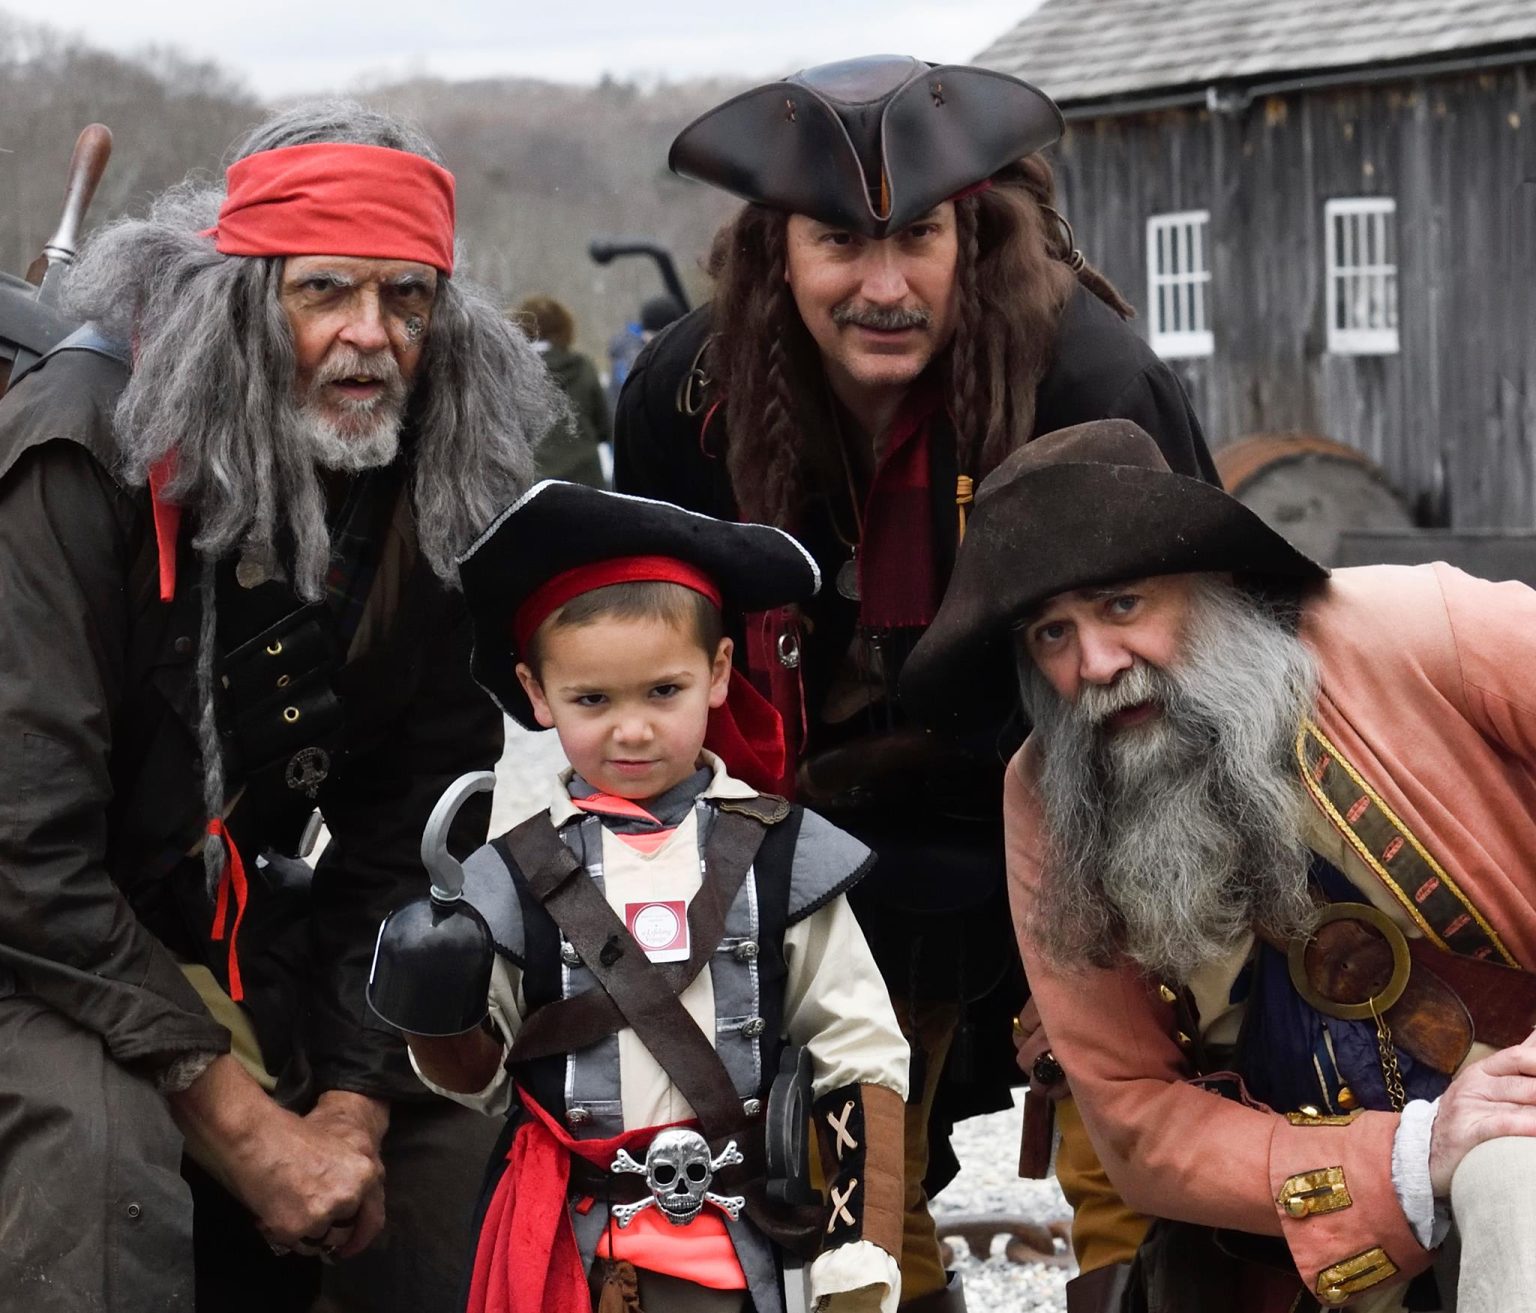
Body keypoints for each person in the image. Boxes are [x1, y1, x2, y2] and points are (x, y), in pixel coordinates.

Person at [614, 53, 1217, 1310]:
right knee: (845, 1217)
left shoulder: (1090, 385)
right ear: (779, 251)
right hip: (816, 856)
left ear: (974, 234)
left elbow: (1190, 683)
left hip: (1082, 820)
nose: (884, 287)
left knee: (1148, 1196)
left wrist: (1118, 954)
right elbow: (653, 670)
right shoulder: (687, 395)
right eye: (841, 241)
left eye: (919, 239)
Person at [0, 102, 560, 1312]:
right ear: (242, 298)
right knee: (99, 1161)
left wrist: (355, 1096)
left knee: (457, 1130)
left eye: (407, 298)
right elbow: (25, 850)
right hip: (34, 938)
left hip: (234, 919)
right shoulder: (75, 453)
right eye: (323, 292)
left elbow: (417, 826)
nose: (370, 337)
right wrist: (247, 1126)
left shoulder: (429, 473)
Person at [899, 417, 1536, 1312]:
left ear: (1211, 583)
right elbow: (1136, 1119)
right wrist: (1407, 1159)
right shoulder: (1048, 792)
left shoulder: (1427, 628)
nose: (1096, 663)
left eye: (1123, 604)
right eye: (1051, 633)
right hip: (1310, 1248)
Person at [390, 480, 910, 1313]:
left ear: (718, 671)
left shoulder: (782, 856)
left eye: (661, 692)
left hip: (744, 1261)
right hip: (566, 1256)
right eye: (592, 699)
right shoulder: (506, 878)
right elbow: (483, 1079)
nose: (630, 729)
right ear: (536, 692)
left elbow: (858, 1053)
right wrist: (434, 1009)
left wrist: (858, 1241)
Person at [519, 293, 613, 488]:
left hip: (533, 488)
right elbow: (604, 427)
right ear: (565, 329)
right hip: (587, 481)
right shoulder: (583, 366)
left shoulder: (510, 372)